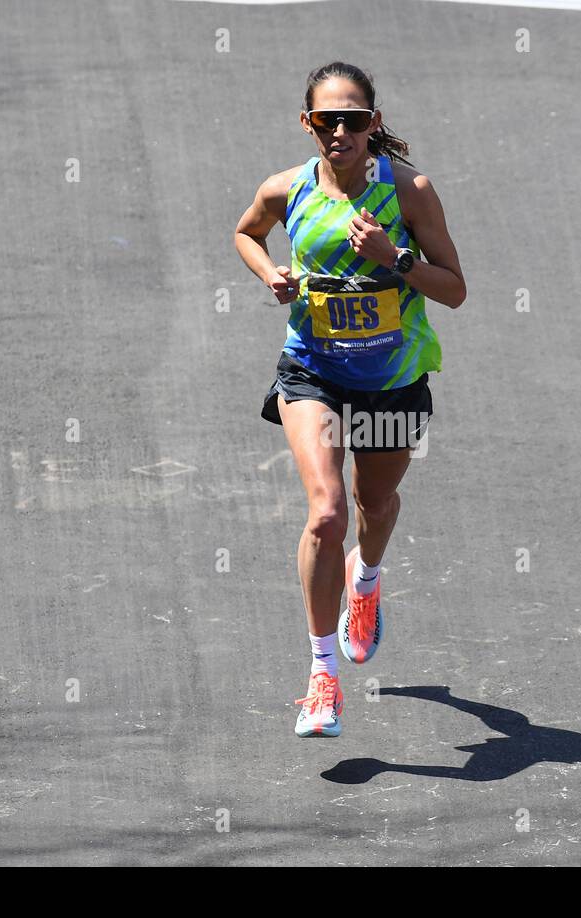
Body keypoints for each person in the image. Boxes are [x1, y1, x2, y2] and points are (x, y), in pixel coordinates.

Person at [234, 61, 466, 738]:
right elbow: (245, 233)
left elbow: (453, 289)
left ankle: (365, 585)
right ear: (307, 124)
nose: (339, 130)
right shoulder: (285, 190)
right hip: (313, 373)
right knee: (327, 514)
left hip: (393, 381)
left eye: (353, 119)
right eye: (325, 119)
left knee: (374, 505)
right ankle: (322, 678)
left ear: (375, 124)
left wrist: (395, 259)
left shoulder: (410, 192)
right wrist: (270, 271)